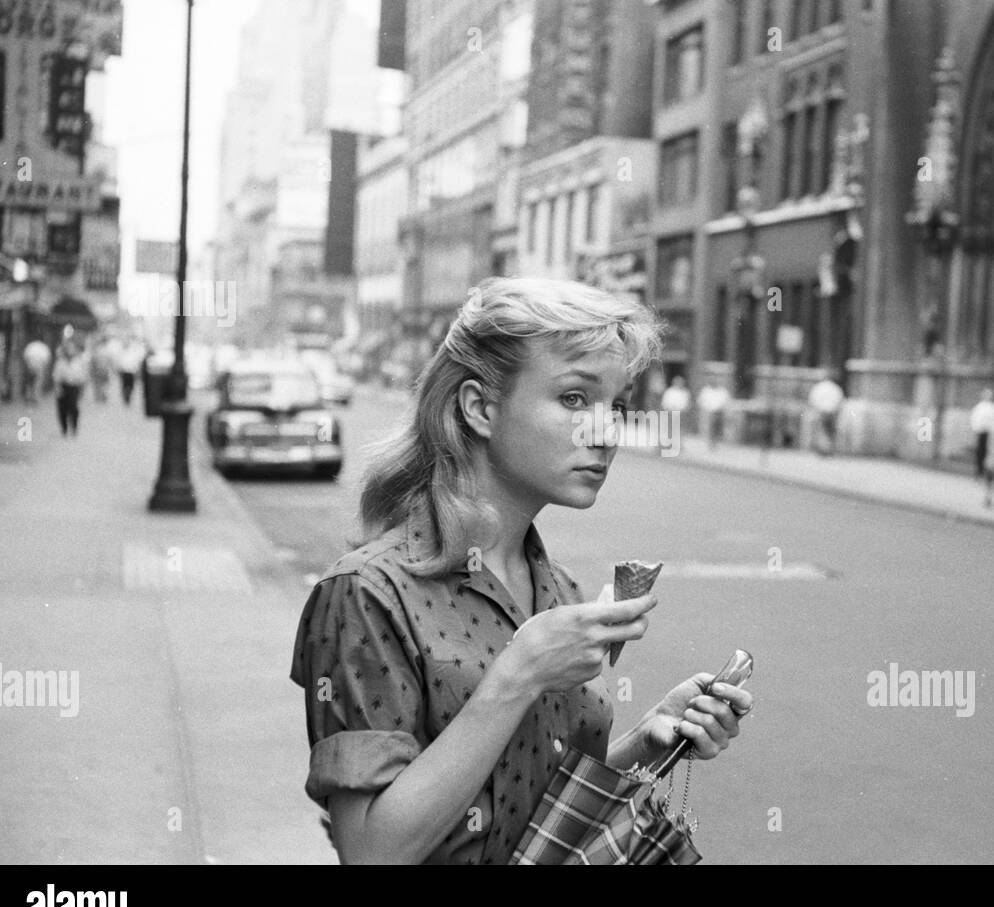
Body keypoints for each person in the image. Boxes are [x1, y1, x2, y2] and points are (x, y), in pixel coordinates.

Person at [289, 277, 754, 865]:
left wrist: (646, 740)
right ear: (481, 408)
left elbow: (532, 811)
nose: (607, 432)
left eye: (617, 405)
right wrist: (518, 675)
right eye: (575, 399)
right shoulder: (366, 594)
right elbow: (372, 852)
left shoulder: (561, 593)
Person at [52, 339, 89, 437]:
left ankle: (74, 427)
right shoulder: (60, 362)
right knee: (62, 409)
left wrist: (82, 389)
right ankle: (64, 428)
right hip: (63, 386)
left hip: (74, 387)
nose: (70, 351)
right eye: (68, 349)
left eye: (72, 349)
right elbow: (56, 376)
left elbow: (83, 376)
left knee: (73, 408)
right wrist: (58, 388)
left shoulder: (79, 361)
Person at [806, 373, 846, 456]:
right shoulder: (836, 388)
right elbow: (840, 401)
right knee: (830, 431)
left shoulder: (819, 387)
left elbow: (813, 400)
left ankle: (822, 450)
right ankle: (829, 450)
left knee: (822, 431)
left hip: (821, 411)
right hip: (832, 411)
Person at [969, 388, 994, 481]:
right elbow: (974, 419)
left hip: (992, 433)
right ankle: (979, 472)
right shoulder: (978, 407)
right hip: (981, 432)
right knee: (980, 453)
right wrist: (976, 430)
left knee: (991, 453)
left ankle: (990, 473)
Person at [659, 374, 692, 454]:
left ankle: (678, 445)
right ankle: (667, 444)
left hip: (680, 413)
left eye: (680, 382)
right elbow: (665, 402)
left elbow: (687, 404)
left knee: (680, 430)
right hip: (670, 412)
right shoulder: (670, 391)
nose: (679, 383)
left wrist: (683, 410)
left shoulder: (685, 393)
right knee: (668, 430)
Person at [696, 381, 731, 451]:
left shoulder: (722, 391)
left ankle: (715, 444)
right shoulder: (706, 390)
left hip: (719, 412)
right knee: (708, 429)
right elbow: (700, 401)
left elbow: (727, 401)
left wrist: (722, 409)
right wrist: (706, 409)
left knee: (717, 429)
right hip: (708, 412)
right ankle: (709, 444)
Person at [116, 337, 145, 407]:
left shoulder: (133, 352)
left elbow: (136, 362)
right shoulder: (121, 353)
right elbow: (119, 362)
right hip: (124, 372)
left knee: (131, 386)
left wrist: (137, 370)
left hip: (131, 372)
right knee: (124, 386)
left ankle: (128, 396)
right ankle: (126, 397)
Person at [22, 338, 51, 404]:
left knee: (29, 383)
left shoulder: (30, 346)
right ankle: (36, 398)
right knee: (38, 383)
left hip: (30, 365)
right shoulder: (43, 347)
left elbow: (25, 356)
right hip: (39, 366)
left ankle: (29, 397)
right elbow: (47, 358)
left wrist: (28, 364)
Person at [88, 338, 112, 403]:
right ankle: (101, 395)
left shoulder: (98, 351)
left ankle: (101, 395)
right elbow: (92, 362)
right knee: (100, 384)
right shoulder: (99, 351)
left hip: (102, 370)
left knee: (100, 384)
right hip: (100, 370)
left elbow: (109, 362)